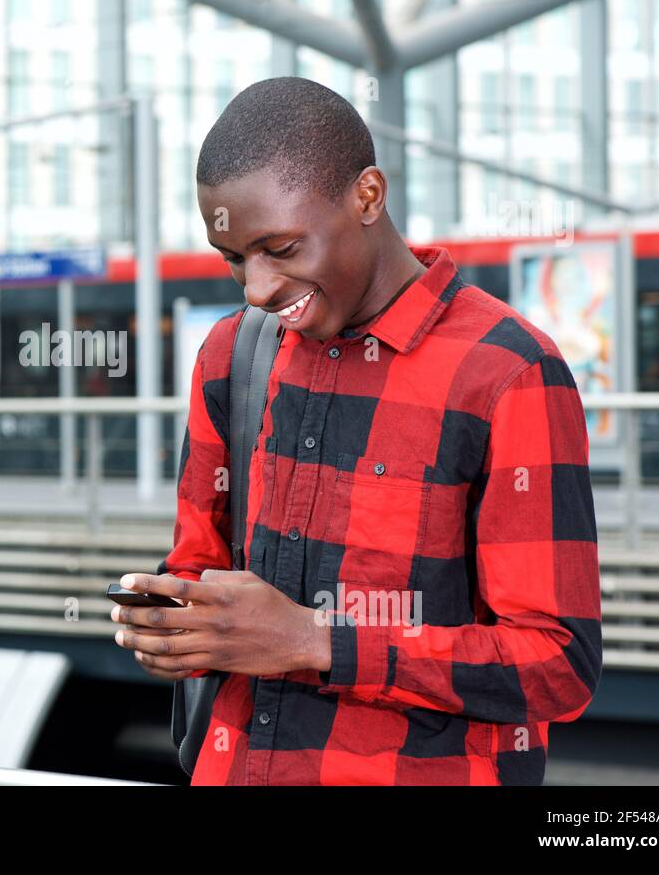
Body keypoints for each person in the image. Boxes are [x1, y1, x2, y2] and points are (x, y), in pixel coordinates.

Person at [111, 77, 602, 785]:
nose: (256, 287)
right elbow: (196, 562)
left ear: (368, 196)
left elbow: (557, 667)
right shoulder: (231, 355)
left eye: (280, 247)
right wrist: (179, 622)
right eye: (235, 259)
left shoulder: (507, 372)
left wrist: (316, 641)